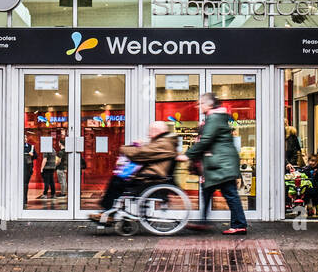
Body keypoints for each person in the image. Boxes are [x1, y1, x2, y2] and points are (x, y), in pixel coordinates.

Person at [89, 121, 181, 221]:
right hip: (151, 177)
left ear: (157, 131)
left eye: (151, 131)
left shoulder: (164, 144)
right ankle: (109, 212)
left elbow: (140, 154)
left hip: (150, 179)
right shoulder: (164, 142)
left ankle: (107, 212)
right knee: (118, 180)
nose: (148, 134)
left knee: (117, 181)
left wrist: (124, 148)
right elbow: (145, 153)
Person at [186, 93, 247, 235]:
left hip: (221, 165)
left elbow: (206, 140)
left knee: (230, 194)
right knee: (207, 192)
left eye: (201, 103)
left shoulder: (214, 118)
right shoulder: (214, 118)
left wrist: (187, 155)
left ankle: (239, 224)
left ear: (209, 105)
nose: (198, 106)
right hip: (217, 164)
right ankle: (202, 222)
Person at [23, 138, 38, 205]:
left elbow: (36, 156)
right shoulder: (16, 146)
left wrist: (33, 155)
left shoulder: (31, 147)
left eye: (25, 137)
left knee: (25, 184)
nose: (24, 139)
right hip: (19, 168)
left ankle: (24, 200)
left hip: (28, 168)